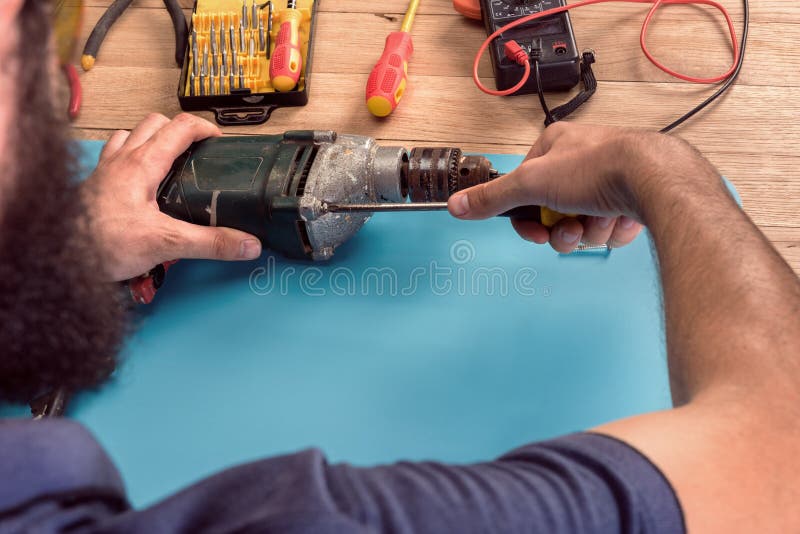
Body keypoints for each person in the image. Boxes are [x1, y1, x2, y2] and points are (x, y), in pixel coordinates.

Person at [1, 1, 798, 533]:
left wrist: (54, 262)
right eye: (28, 50)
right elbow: (775, 459)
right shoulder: (310, 515)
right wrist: (660, 168)